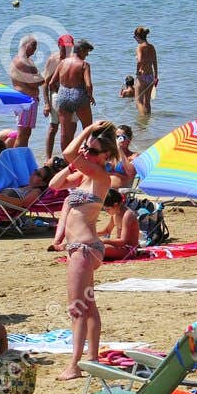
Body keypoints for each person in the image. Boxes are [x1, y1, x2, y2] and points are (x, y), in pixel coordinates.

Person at [49, 121, 121, 380]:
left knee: (76, 308)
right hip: (82, 248)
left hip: (83, 247)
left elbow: (69, 152)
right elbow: (55, 185)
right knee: (88, 306)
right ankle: (92, 359)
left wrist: (87, 129)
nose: (87, 155)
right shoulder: (85, 176)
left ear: (106, 155)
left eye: (92, 152)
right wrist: (76, 161)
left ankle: (75, 366)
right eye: (87, 151)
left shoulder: (101, 175)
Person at [51, 39, 95, 156]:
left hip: (63, 96)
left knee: (65, 133)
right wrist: (91, 97)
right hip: (79, 95)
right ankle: (89, 155)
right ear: (80, 50)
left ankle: (67, 159)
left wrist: (59, 93)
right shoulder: (84, 65)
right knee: (88, 128)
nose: (87, 55)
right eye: (86, 52)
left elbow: (51, 83)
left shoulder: (62, 63)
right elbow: (88, 85)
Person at [8, 35, 43, 155]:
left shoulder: (28, 61)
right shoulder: (22, 61)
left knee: (26, 133)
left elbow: (39, 79)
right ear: (25, 45)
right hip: (24, 100)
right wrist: (38, 77)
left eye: (36, 46)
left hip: (28, 100)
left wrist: (38, 77)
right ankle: (15, 159)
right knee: (22, 133)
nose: (35, 49)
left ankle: (21, 157)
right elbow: (35, 83)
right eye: (33, 45)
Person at [132, 27, 157, 115]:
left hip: (142, 76)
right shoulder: (152, 47)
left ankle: (143, 123)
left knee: (138, 102)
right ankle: (147, 123)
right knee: (147, 102)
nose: (135, 39)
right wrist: (156, 76)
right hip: (151, 76)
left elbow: (139, 60)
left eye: (134, 37)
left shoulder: (140, 47)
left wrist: (137, 71)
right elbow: (155, 61)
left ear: (138, 36)